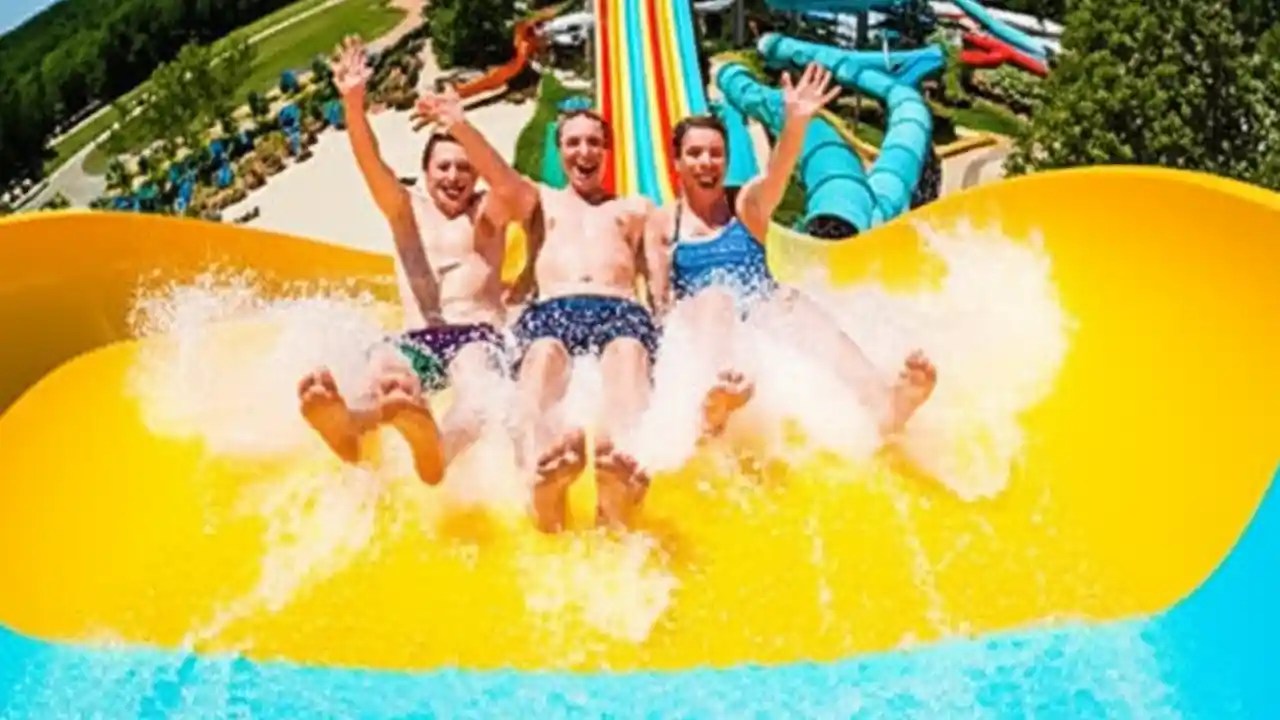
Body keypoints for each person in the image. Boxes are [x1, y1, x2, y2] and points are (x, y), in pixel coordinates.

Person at [415, 87, 667, 533]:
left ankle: (620, 462)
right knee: (542, 357)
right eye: (573, 142)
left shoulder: (636, 208)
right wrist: (458, 124)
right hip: (553, 308)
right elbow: (500, 178)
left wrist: (667, 331)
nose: (584, 151)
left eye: (594, 142)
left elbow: (658, 283)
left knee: (628, 354)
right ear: (560, 151)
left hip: (619, 307)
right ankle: (538, 470)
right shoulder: (540, 200)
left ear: (607, 152)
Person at [644, 63, 938, 440]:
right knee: (713, 299)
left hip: (763, 316)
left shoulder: (745, 206)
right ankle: (714, 402)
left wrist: (795, 123)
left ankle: (883, 403)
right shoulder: (663, 223)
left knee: (787, 300)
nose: (706, 163)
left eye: (716, 154)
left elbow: (776, 175)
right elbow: (660, 304)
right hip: (707, 327)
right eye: (695, 153)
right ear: (678, 162)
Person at [296, 36, 514, 486]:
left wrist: (464, 128)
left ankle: (439, 446)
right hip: (418, 336)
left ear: (475, 176)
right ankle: (347, 421)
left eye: (463, 168)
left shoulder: (487, 212)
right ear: (426, 171)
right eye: (444, 167)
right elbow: (369, 160)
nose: (454, 177)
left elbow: (514, 191)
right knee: (387, 370)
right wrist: (353, 103)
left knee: (474, 389)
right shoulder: (405, 208)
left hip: (476, 335)